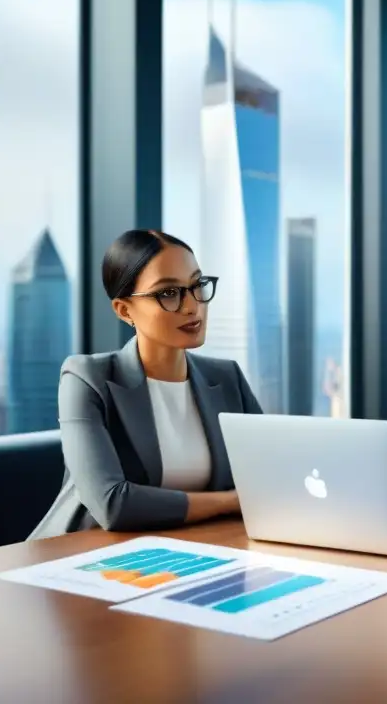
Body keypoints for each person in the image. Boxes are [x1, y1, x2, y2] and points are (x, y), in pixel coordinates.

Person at [30, 230, 263, 539]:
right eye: (168, 293)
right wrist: (230, 502)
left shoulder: (226, 377)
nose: (192, 306)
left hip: (195, 545)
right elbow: (113, 504)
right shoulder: (86, 378)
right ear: (124, 310)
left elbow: (268, 476)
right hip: (87, 552)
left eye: (197, 285)